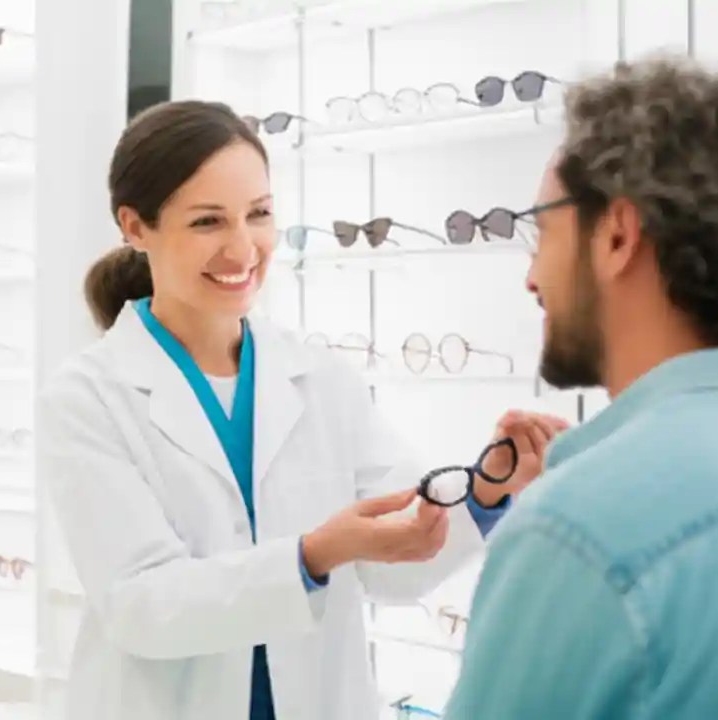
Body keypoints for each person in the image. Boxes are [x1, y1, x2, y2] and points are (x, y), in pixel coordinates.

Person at [38, 100, 568, 720]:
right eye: (208, 222)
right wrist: (313, 555)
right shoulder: (88, 399)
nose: (243, 249)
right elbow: (142, 607)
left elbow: (395, 567)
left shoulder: (318, 378)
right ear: (135, 226)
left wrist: (486, 489)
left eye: (259, 215)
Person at [445, 54, 718, 719]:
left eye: (543, 234)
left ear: (618, 234)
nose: (531, 277)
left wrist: (561, 531)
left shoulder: (574, 531)